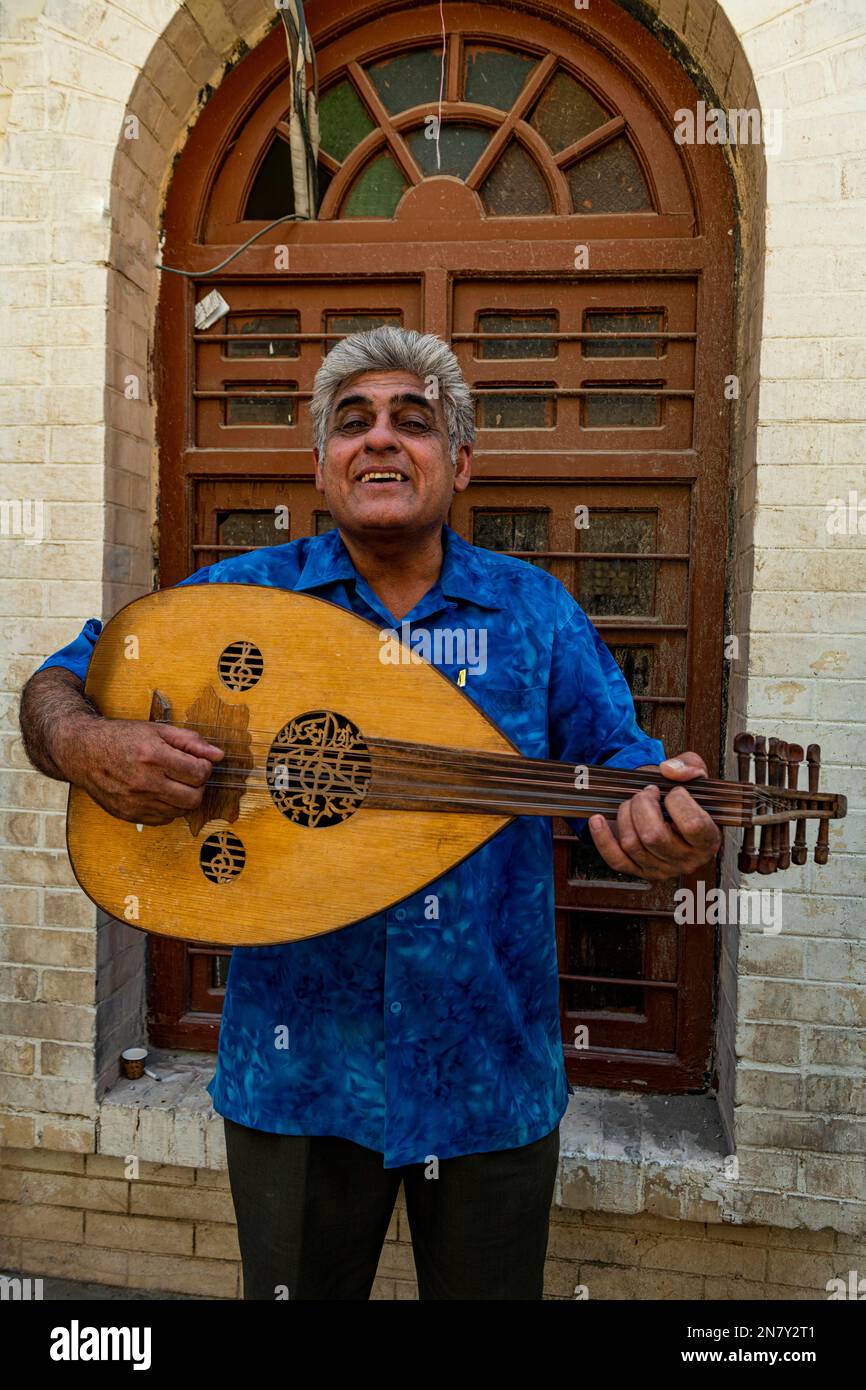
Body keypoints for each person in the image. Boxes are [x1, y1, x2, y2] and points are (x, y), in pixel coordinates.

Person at [20, 327, 721, 1300]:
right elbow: (67, 674)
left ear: (461, 460)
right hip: (297, 1080)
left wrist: (667, 841)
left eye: (415, 421)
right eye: (353, 421)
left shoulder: (533, 614)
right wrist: (83, 744)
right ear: (319, 462)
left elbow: (622, 771)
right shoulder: (245, 595)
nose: (381, 439)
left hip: (489, 1083)